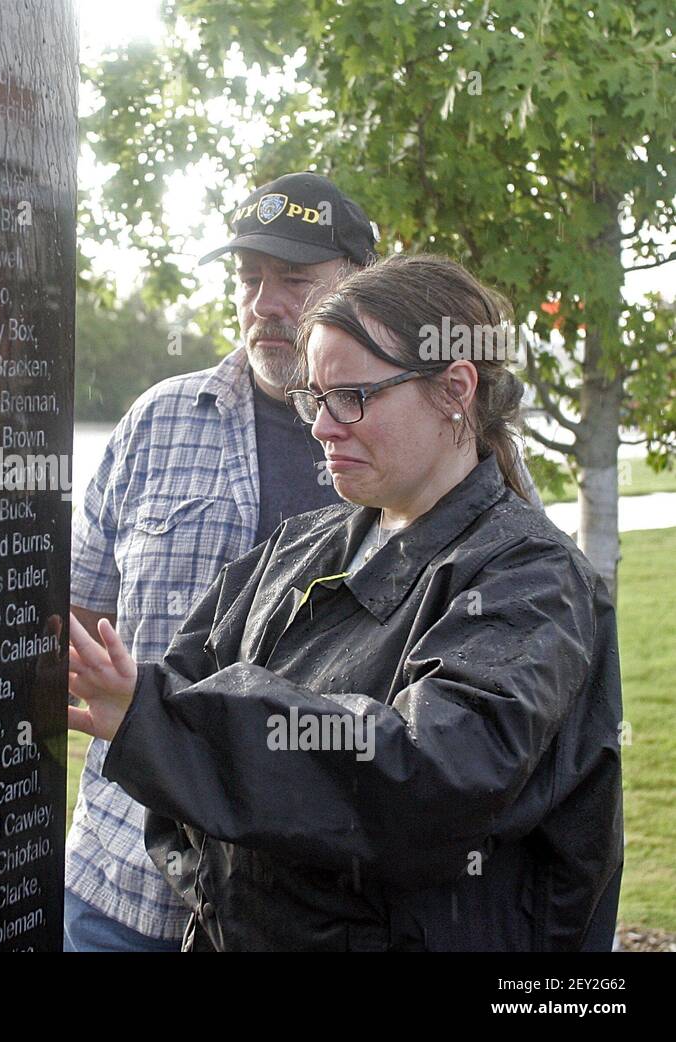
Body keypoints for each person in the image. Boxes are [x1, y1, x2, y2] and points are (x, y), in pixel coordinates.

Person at [67, 253, 624, 951]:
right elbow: (178, 723)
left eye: (353, 397)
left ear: (454, 389)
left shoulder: (530, 580)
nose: (323, 428)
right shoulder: (298, 548)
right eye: (315, 398)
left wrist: (164, 724)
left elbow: (431, 776)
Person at [64, 173, 380, 950]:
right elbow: (81, 605)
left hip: (316, 909)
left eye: (295, 280)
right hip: (119, 883)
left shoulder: (423, 433)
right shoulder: (157, 419)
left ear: (362, 285)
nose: (265, 303)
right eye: (249, 279)